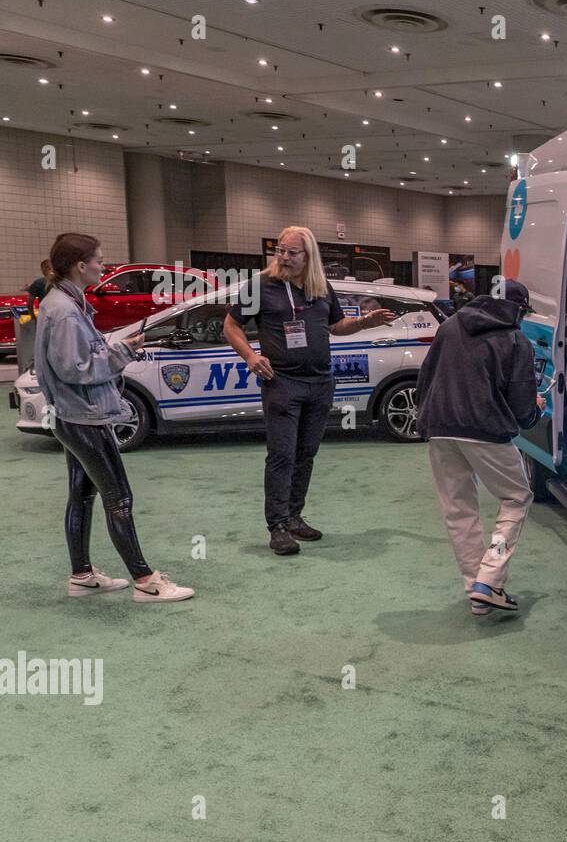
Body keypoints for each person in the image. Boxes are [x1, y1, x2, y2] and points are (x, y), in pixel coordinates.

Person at [34, 233, 195, 602]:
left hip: (71, 415)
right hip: (84, 417)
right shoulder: (66, 311)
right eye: (98, 260)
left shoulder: (62, 303)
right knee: (118, 498)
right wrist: (120, 354)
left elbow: (78, 357)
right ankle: (145, 581)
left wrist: (118, 346)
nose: (103, 266)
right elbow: (77, 368)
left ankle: (82, 575)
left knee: (82, 494)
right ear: (80, 266)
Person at [222, 226, 394, 555]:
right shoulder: (259, 285)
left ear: (308, 255)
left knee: (305, 455)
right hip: (282, 382)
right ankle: (277, 526)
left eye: (291, 252)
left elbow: (335, 326)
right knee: (282, 455)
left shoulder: (320, 287)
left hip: (320, 383)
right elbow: (231, 325)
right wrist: (250, 356)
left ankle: (294, 516)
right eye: (280, 251)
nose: (284, 258)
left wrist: (364, 323)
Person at [414, 279, 544, 615]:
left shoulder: (451, 325)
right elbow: (521, 409)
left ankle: (478, 591)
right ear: (517, 309)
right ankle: (490, 576)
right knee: (516, 498)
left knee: (459, 510)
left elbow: (424, 378)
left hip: (439, 428)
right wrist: (535, 409)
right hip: (486, 430)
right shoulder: (516, 340)